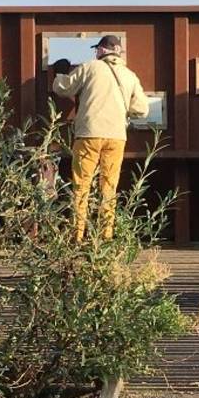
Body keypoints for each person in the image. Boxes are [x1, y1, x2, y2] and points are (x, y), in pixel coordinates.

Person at [50, 35, 149, 242]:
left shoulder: (91, 68)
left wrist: (59, 72)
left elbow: (63, 88)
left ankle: (77, 236)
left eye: (96, 50)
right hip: (116, 137)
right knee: (109, 187)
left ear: (101, 50)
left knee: (82, 185)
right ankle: (105, 236)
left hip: (89, 135)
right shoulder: (130, 75)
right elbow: (142, 109)